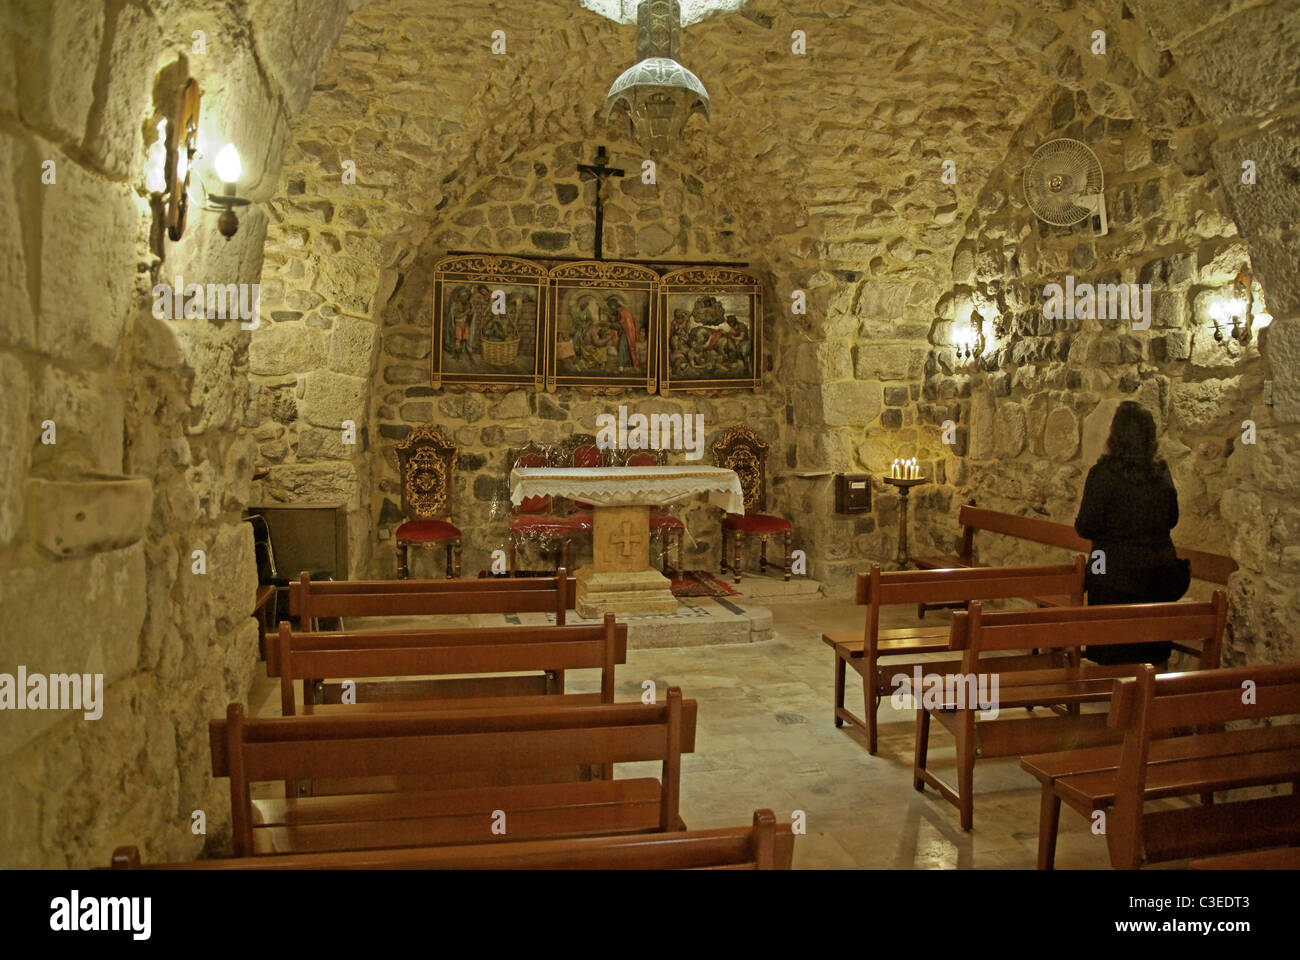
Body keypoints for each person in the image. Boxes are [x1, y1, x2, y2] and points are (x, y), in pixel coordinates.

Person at [1073, 401, 1189, 667]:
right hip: (1157, 572)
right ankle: (1146, 696)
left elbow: (1086, 526)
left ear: (1116, 435)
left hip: (1114, 573)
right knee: (1149, 646)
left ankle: (1118, 698)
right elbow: (1172, 518)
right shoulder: (1160, 473)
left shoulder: (1104, 474)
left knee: (1115, 646)